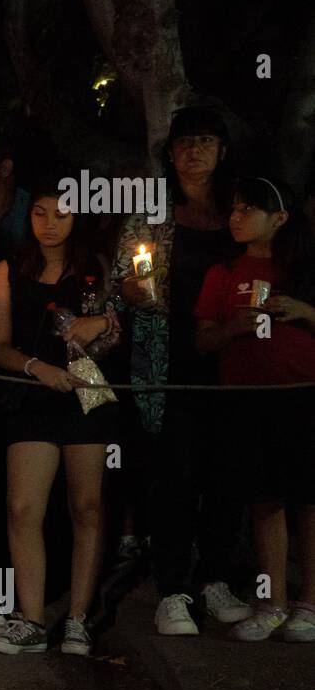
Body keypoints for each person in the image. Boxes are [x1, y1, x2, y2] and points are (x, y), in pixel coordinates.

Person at [111, 105, 252, 635]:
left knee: (228, 472)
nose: (195, 151)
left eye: (206, 141)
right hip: (167, 365)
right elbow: (121, 285)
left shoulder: (241, 214)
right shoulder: (151, 214)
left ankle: (215, 578)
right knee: (172, 473)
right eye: (185, 142)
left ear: (222, 151)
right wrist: (134, 290)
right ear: (169, 153)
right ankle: (173, 589)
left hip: (234, 364)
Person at [0, 186, 122, 654]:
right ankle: (30, 620)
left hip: (86, 388)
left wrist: (101, 326)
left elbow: (112, 332)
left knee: (86, 507)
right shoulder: (11, 269)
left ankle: (79, 618)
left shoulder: (94, 268)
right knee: (24, 508)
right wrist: (35, 367)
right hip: (34, 394)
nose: (49, 223)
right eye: (40, 213)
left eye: (61, 213)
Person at [194, 176, 315, 642]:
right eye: (234, 209)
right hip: (246, 400)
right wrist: (230, 330)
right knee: (264, 502)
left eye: (248, 209)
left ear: (280, 218)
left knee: (308, 501)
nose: (236, 217)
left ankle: (309, 603)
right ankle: (272, 603)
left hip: (302, 396)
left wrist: (304, 310)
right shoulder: (223, 271)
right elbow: (202, 340)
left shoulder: (305, 268)